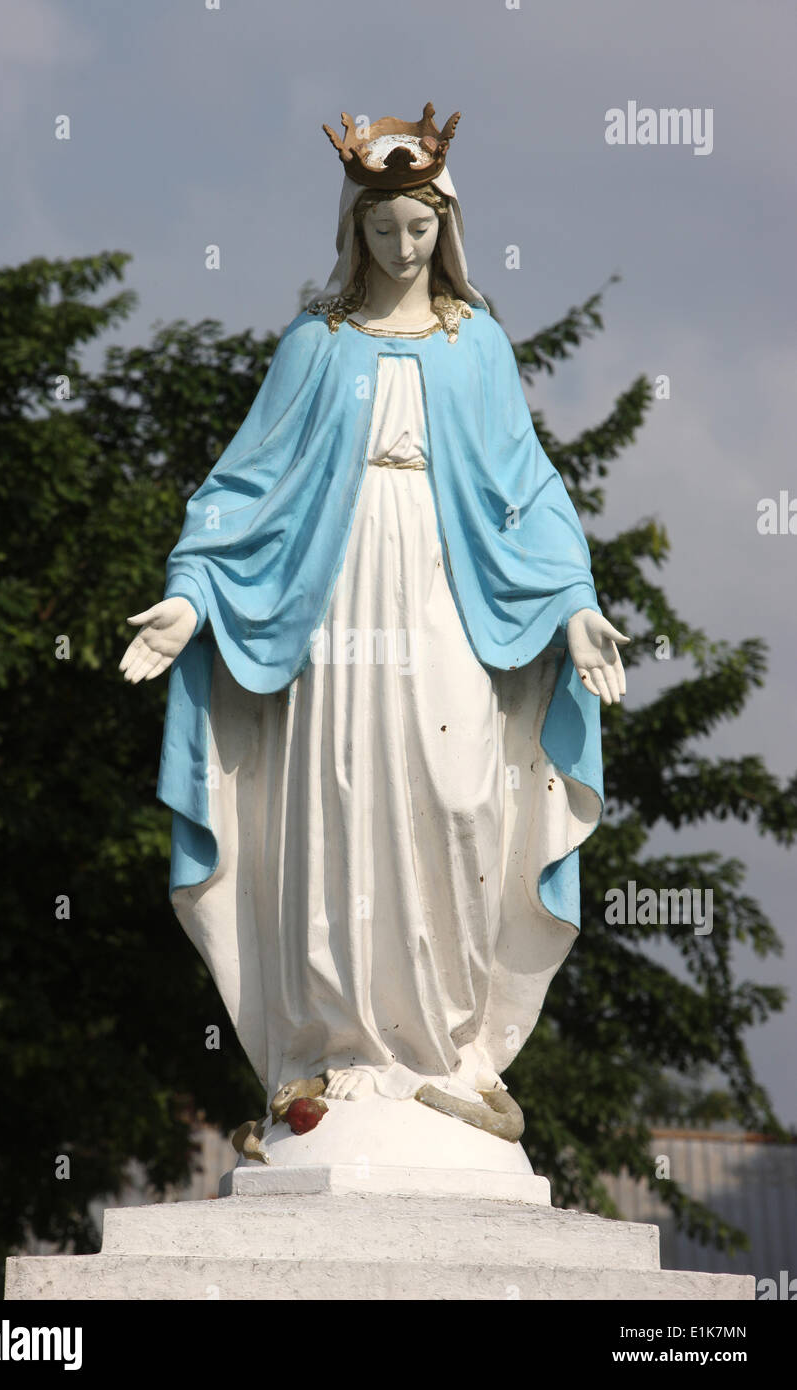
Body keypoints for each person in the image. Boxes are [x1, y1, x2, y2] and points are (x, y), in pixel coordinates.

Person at [119, 105, 628, 1131]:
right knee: (339, 796)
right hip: (336, 590)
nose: (403, 248)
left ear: (447, 226)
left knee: (458, 799)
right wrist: (191, 591)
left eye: (420, 228)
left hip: (448, 586)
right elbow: (243, 484)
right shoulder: (317, 343)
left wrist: (572, 604)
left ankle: (449, 1046)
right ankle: (329, 1049)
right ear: (352, 227)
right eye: (383, 228)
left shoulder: (473, 342)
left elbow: (526, 485)